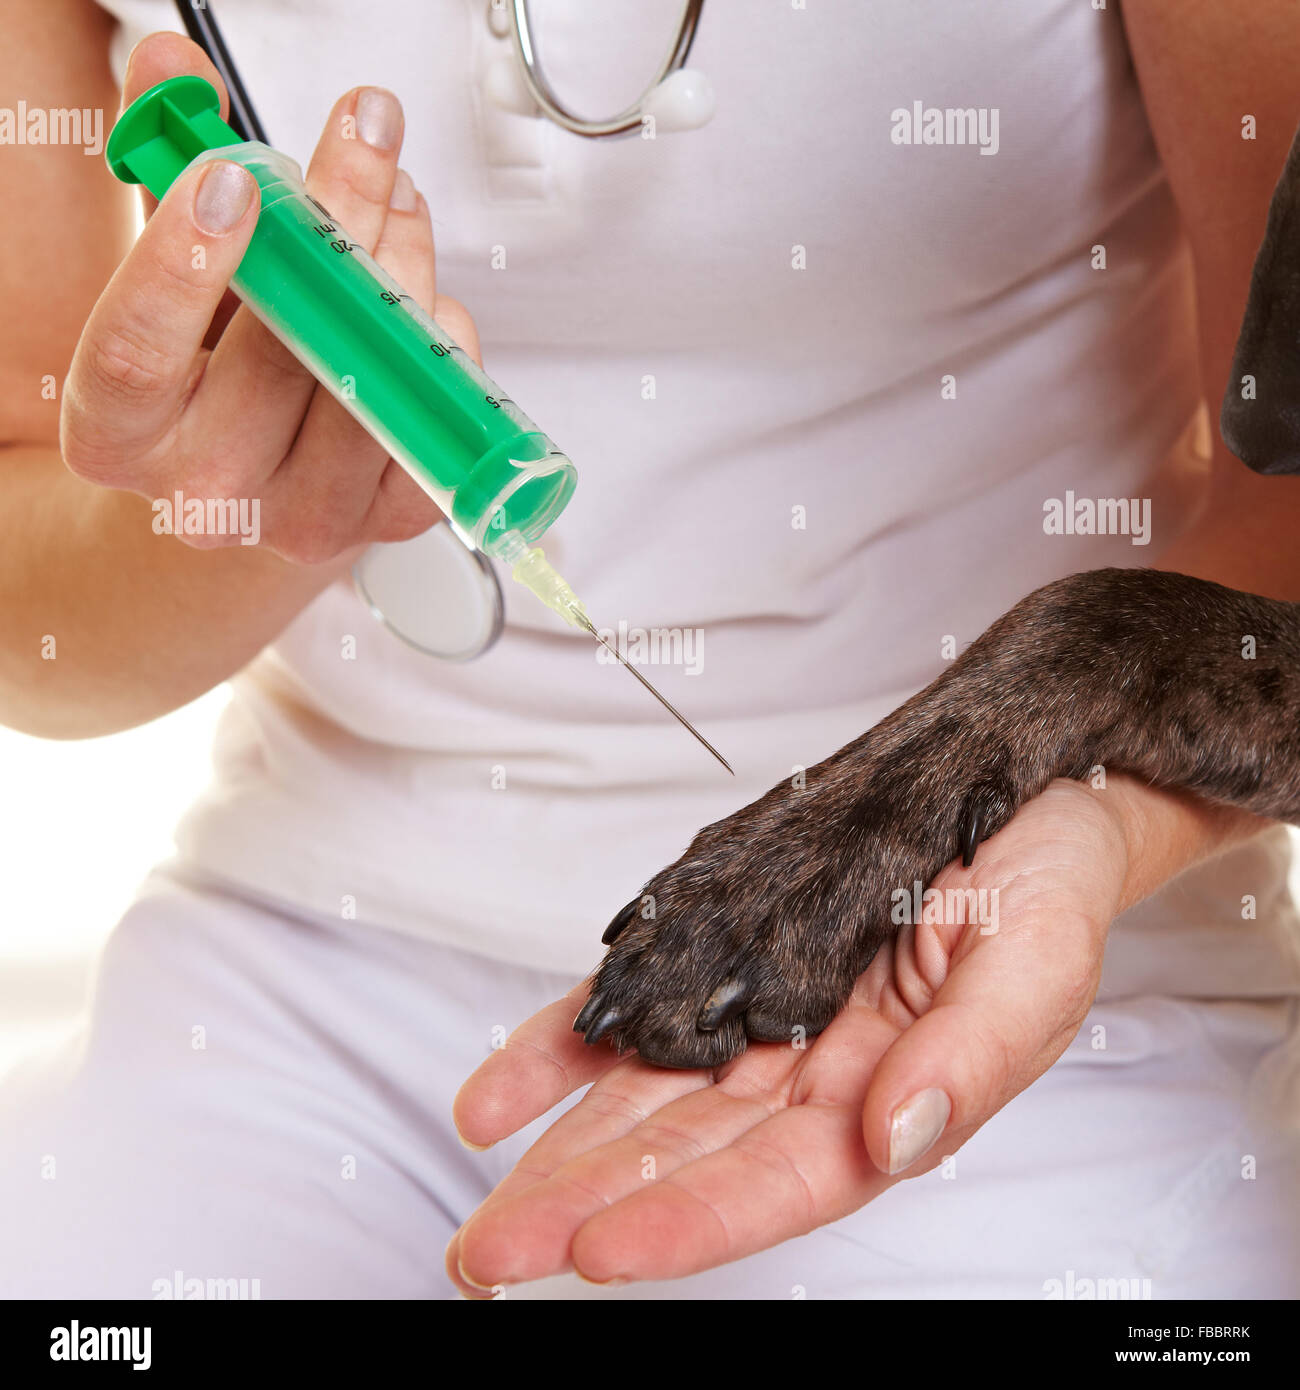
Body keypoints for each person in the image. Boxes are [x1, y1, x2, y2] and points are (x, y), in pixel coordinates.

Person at [1, 0, 1297, 1299]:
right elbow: (28, 609)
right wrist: (256, 501)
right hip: (300, 955)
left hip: (974, 964)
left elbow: (1284, 512)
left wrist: (1096, 828)